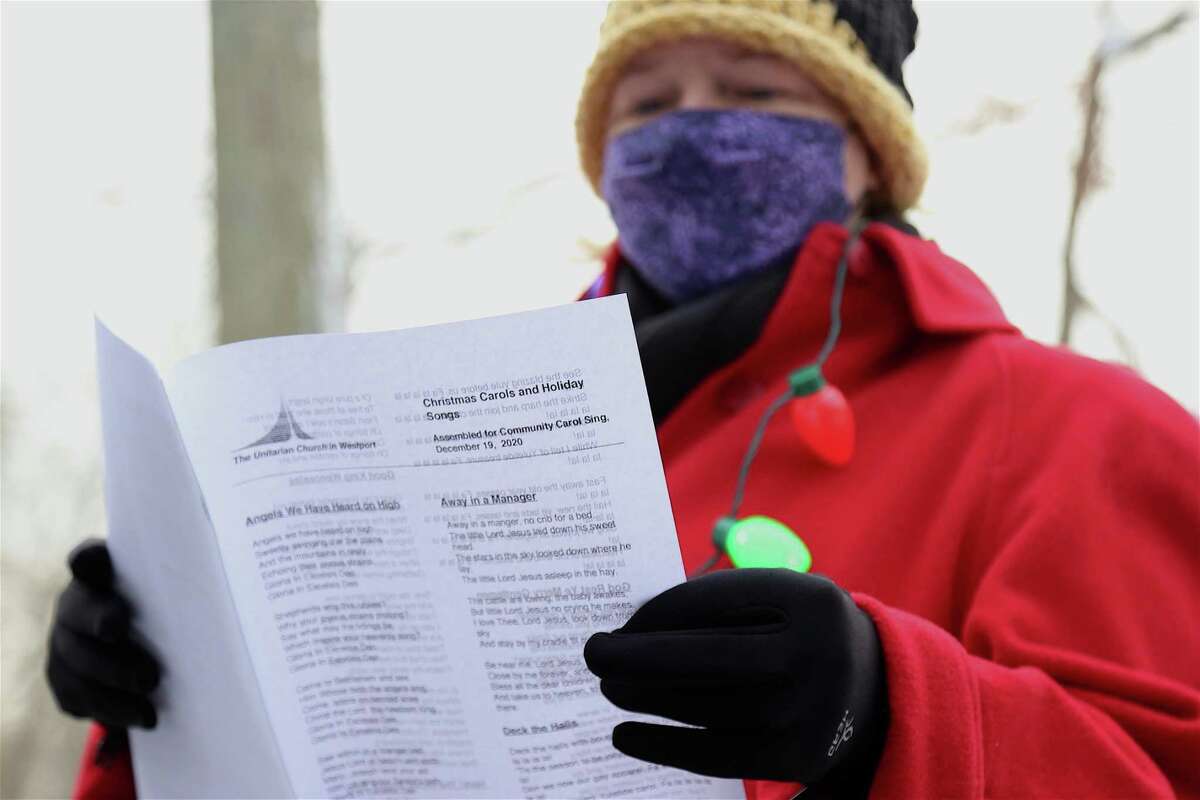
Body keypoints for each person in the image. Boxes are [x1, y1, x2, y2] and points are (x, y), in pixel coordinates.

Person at [48, 1, 1200, 798]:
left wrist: (888, 713)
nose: (692, 128)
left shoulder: (1074, 428)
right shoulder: (458, 429)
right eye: (648, 105)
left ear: (870, 150)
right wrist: (161, 695)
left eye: (752, 88)